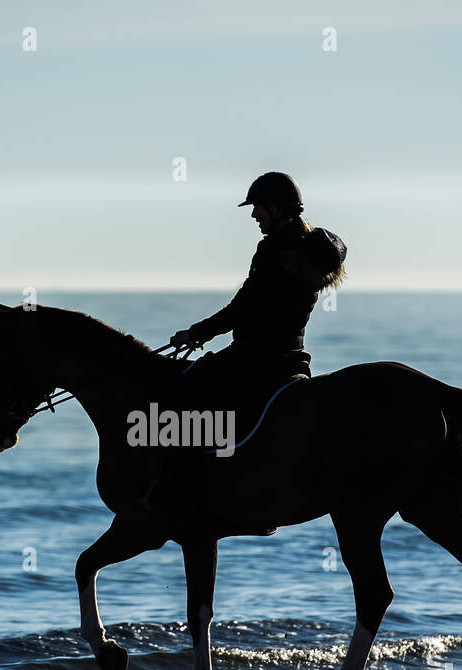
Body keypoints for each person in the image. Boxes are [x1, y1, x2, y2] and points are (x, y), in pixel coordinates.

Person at [138, 171, 347, 517]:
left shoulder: (273, 250)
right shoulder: (314, 250)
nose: (254, 216)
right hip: (293, 358)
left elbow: (243, 307)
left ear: (278, 209)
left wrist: (196, 334)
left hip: (255, 356)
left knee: (177, 402)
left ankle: (177, 492)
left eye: (258, 209)